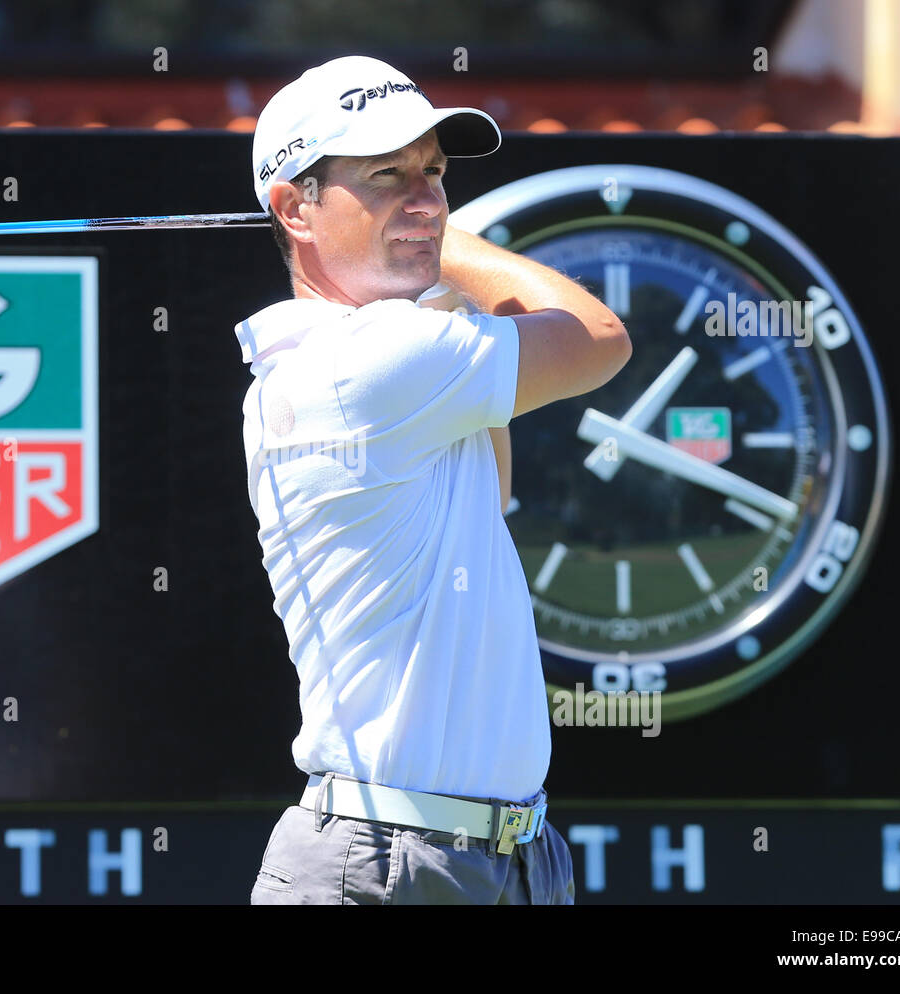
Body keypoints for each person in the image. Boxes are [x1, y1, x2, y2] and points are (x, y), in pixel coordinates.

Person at [235, 55, 631, 905]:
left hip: (505, 856)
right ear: (295, 207)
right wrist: (452, 248)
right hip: (391, 867)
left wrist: (421, 258)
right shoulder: (372, 363)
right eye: (388, 176)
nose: (427, 199)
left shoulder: (387, 365)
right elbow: (599, 336)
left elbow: (488, 490)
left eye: (436, 174)